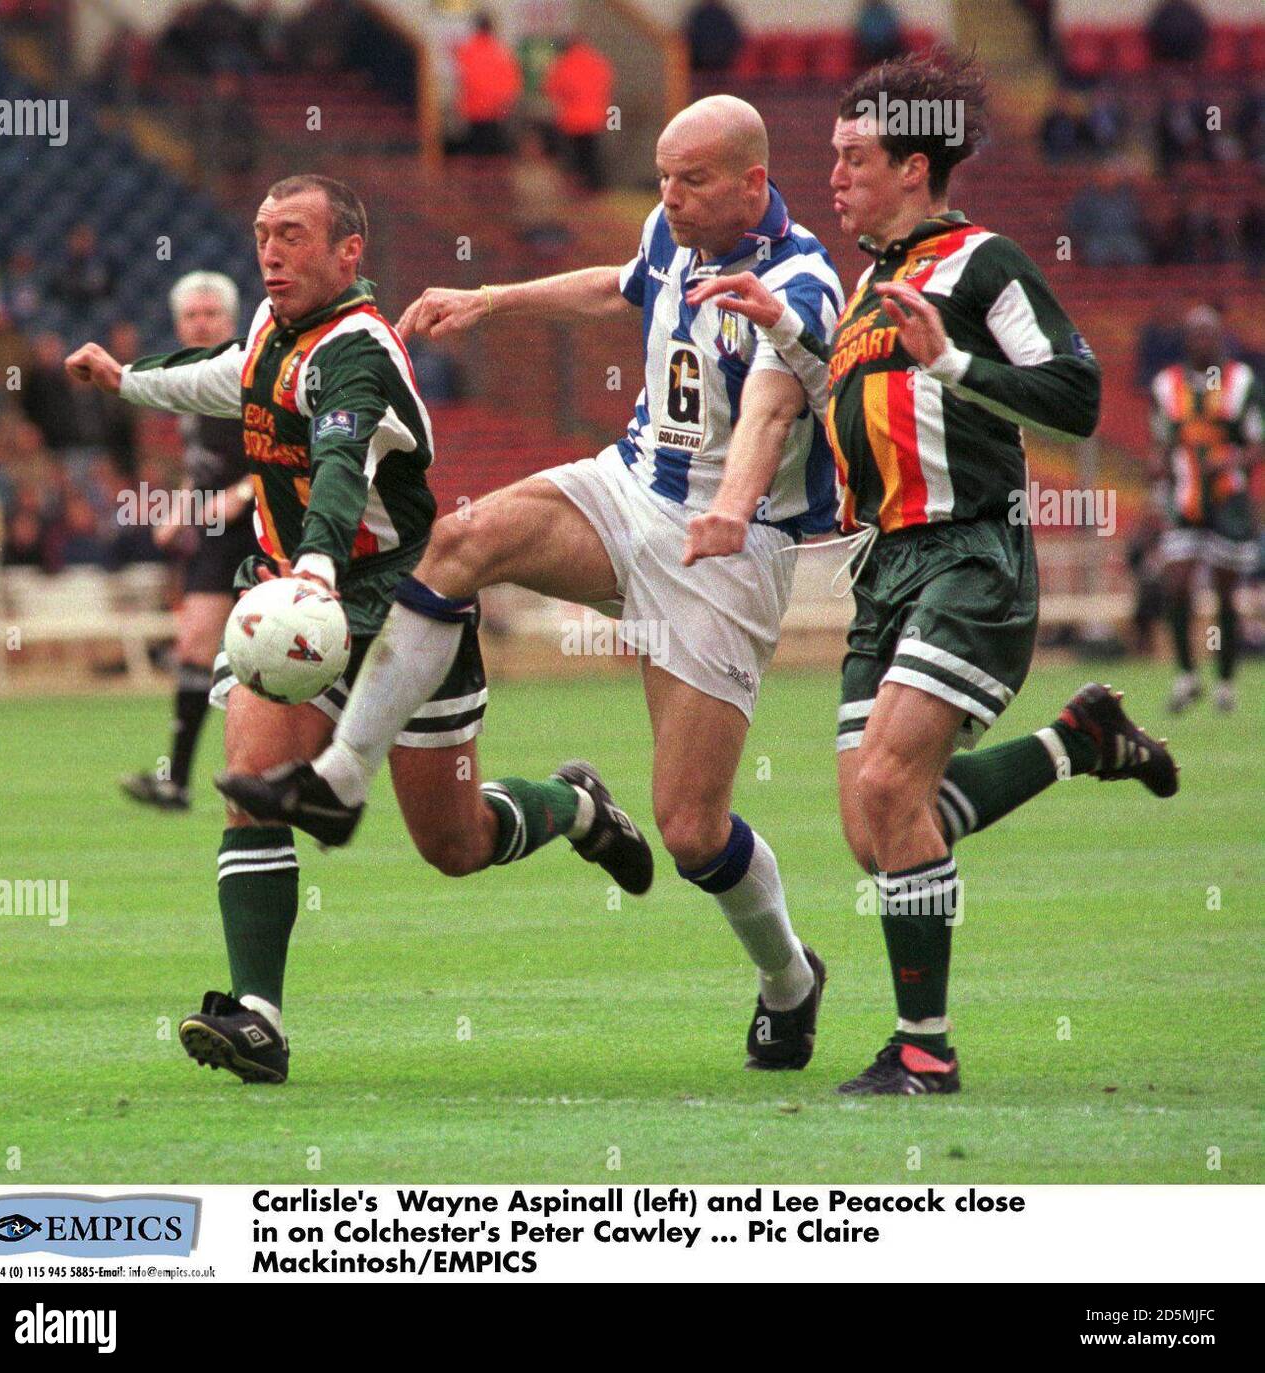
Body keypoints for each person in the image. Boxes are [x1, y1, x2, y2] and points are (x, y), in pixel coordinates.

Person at [220, 98, 846, 1072]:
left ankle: (788, 976)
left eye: (690, 181)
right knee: (461, 542)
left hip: (727, 546)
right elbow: (624, 287)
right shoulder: (671, 230)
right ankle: (341, 779)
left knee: (689, 828)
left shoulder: (802, 282)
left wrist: (730, 502)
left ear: (752, 185)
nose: (667, 196)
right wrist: (493, 299)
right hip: (629, 485)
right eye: (663, 176)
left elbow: (768, 410)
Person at [65, 174, 652, 1086]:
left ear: (349, 253)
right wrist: (127, 380)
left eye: (292, 234)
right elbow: (230, 377)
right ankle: (258, 1016)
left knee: (452, 846)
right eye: (262, 231)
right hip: (296, 599)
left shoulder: (359, 351)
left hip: (397, 607)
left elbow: (341, 466)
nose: (270, 250)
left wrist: (318, 569)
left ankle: (575, 805)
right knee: (252, 783)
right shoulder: (274, 329)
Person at [686, 53, 1179, 1096]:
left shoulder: (983, 265)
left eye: (853, 157)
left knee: (887, 783)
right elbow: (854, 401)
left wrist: (953, 363)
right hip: (890, 564)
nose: (832, 175)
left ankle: (924, 1047)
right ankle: (1076, 740)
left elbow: (1076, 395)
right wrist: (784, 331)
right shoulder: (871, 286)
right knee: (878, 831)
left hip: (971, 550)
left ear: (914, 167)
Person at [119, 272, 262, 812]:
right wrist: (179, 508)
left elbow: (290, 450)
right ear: (179, 323)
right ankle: (175, 781)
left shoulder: (248, 374)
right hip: (214, 532)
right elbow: (200, 466)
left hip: (262, 528)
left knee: (275, 649)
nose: (201, 323)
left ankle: (294, 773)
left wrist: (242, 493)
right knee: (195, 646)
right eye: (192, 316)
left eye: (211, 314)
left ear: (230, 320)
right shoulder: (187, 381)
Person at [1149, 306, 1264, 713]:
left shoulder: (1241, 381)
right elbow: (1162, 440)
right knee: (1176, 584)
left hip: (1229, 502)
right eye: (1194, 335)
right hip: (1185, 501)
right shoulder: (1167, 384)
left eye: (1208, 334)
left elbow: (1256, 443)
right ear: (1186, 340)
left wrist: (1230, 462)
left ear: (1220, 337)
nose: (1201, 342)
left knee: (1225, 593)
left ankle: (1226, 682)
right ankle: (1186, 676)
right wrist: (1158, 465)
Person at [543, 36, 614, 193]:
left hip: (571, 120)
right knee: (592, 158)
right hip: (596, 118)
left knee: (575, 162)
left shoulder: (563, 64)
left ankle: (577, 194)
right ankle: (596, 191)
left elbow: (551, 89)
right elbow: (607, 84)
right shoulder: (597, 61)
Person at [451, 12, 521, 157]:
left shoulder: (466, 50)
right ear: (491, 28)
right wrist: (505, 104)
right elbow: (512, 82)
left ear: (477, 27)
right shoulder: (500, 51)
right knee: (493, 155)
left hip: (472, 109)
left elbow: (461, 79)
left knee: (476, 153)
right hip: (494, 110)